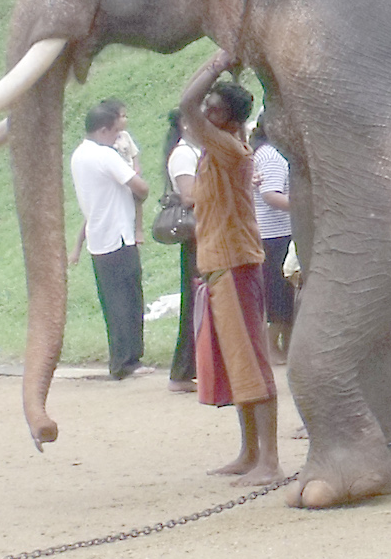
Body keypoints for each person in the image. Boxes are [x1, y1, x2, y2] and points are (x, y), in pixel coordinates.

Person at [180, 51, 282, 485]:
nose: (204, 112)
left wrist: (218, 63)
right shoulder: (216, 151)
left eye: (214, 109)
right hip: (222, 267)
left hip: (236, 266)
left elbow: (185, 104)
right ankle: (249, 452)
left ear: (229, 121)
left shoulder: (227, 150)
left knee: (253, 363)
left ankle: (271, 461)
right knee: (238, 365)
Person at [69, 101, 150, 380]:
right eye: (116, 131)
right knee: (128, 299)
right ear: (103, 130)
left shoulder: (79, 155)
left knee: (112, 301)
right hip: (118, 235)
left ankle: (121, 358)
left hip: (99, 237)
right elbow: (141, 188)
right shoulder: (106, 156)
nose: (119, 137)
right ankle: (128, 360)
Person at [249, 117, 294, 364]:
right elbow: (270, 194)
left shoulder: (270, 153)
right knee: (279, 293)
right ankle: (270, 345)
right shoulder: (271, 156)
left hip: (278, 232)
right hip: (274, 234)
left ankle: (286, 345)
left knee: (285, 292)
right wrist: (303, 206)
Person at [163, 108, 201, 393]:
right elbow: (189, 196)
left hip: (204, 231)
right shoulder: (184, 154)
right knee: (196, 300)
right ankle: (184, 369)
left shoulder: (194, 150)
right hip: (197, 233)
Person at [99, 98, 146, 245]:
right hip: (116, 179)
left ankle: (138, 230)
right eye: (122, 116)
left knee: (137, 199)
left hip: (129, 175)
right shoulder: (106, 140)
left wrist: (136, 168)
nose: (125, 120)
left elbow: (134, 153)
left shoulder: (125, 136)